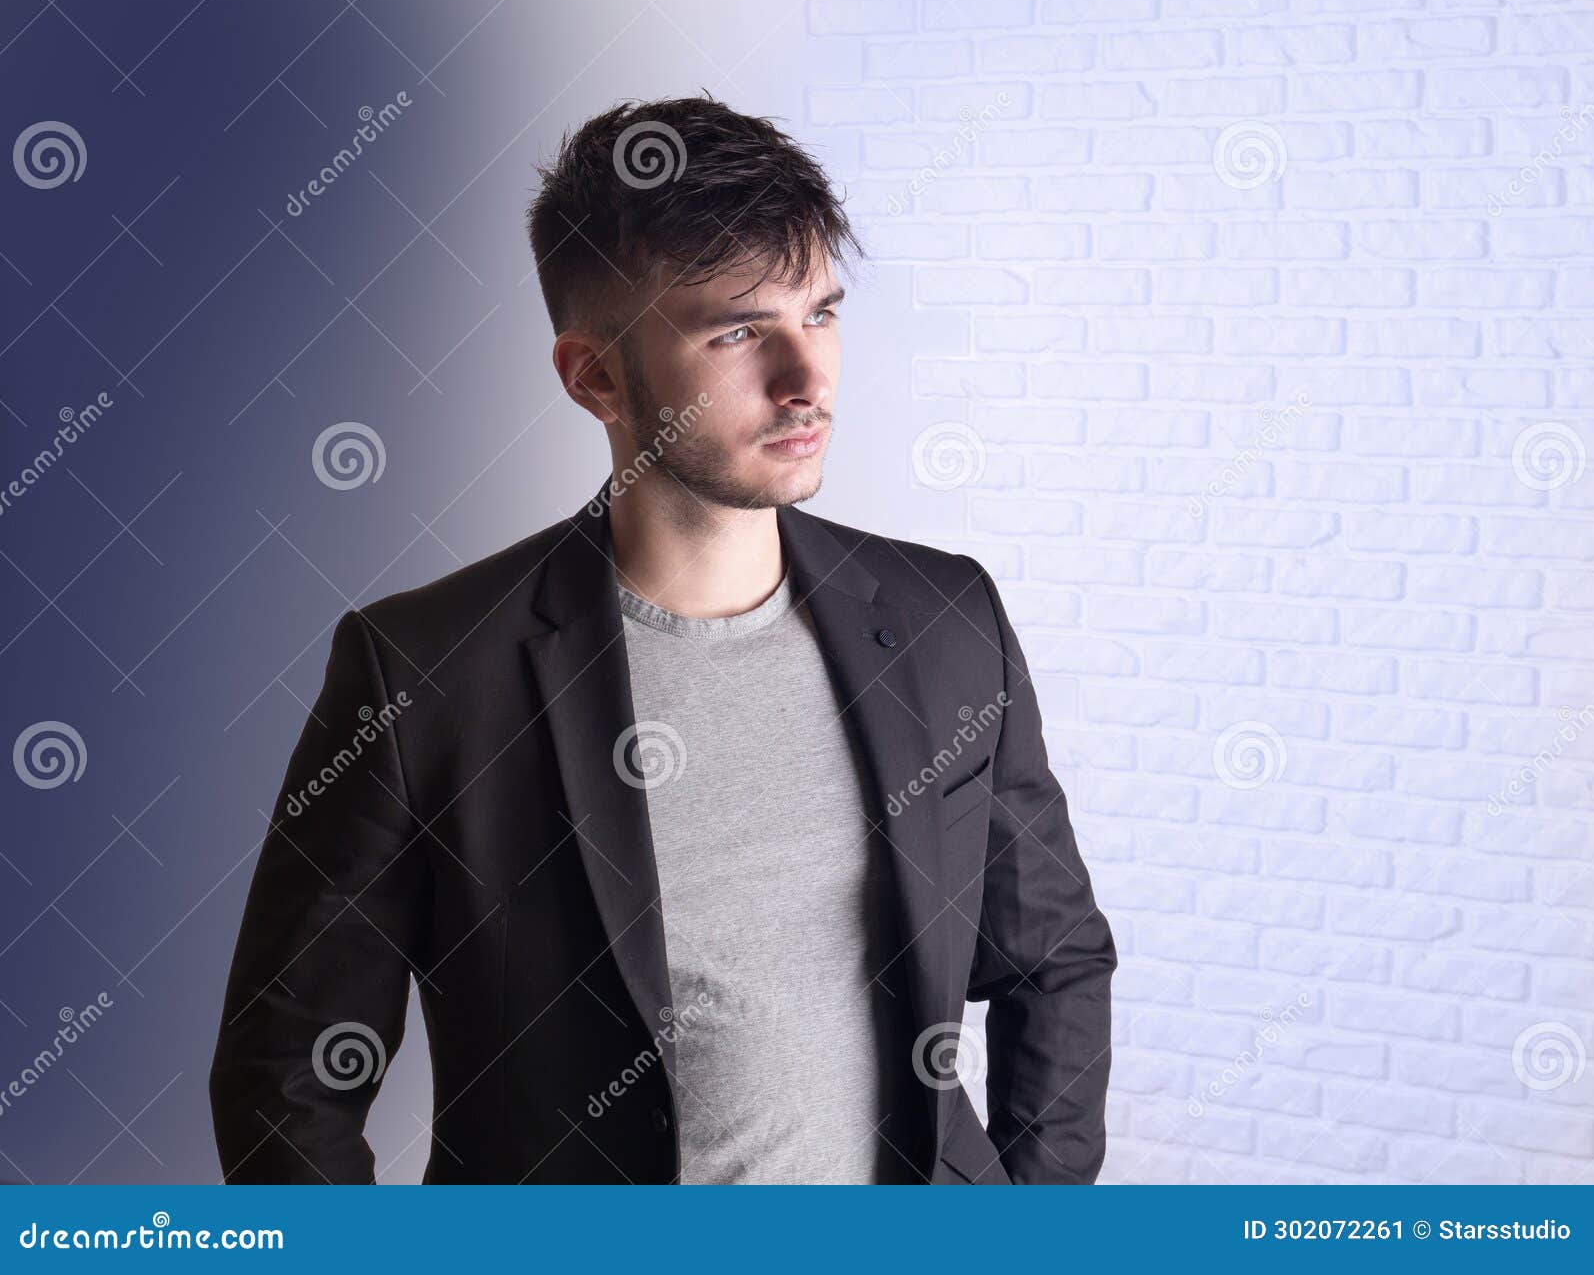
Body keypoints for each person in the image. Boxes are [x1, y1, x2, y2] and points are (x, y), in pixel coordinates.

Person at [210, 93, 1116, 1185]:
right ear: (595, 377)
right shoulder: (427, 674)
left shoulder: (944, 617)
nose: (806, 380)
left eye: (821, 314)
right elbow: (285, 1078)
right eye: (738, 332)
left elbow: (1054, 958)